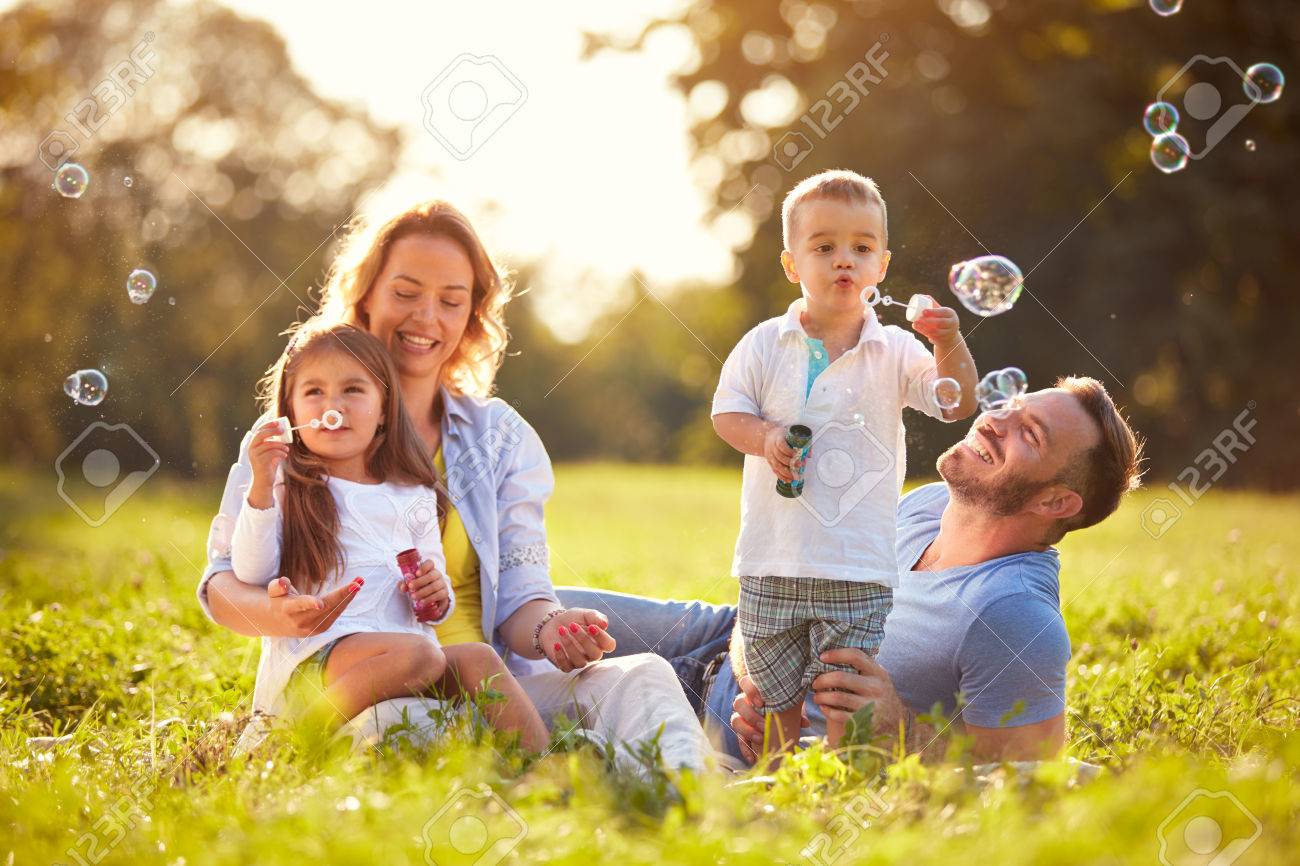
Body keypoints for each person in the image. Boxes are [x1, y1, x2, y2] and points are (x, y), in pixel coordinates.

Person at [199, 200, 711, 771]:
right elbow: (223, 582)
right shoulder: (291, 438)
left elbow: (522, 596)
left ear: (472, 317)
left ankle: (688, 809)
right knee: (404, 729)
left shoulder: (499, 437)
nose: (426, 318)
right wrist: (278, 615)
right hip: (362, 693)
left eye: (450, 301)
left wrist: (550, 627)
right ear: (366, 295)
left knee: (643, 675)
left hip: (489, 693)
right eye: (406, 292)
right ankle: (533, 793)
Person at [560, 377, 1143, 764]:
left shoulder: (1015, 618)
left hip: (732, 740)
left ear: (1056, 503)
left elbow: (1022, 790)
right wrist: (761, 672)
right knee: (529, 610)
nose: (995, 420)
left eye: (1029, 434)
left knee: (541, 693)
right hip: (719, 637)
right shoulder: (931, 503)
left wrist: (898, 733)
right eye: (1010, 407)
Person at [710, 169, 977, 753]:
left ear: (882, 266)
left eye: (861, 248)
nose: (843, 262)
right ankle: (775, 770)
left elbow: (954, 402)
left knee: (843, 682)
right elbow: (726, 413)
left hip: (857, 560)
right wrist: (764, 438)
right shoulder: (763, 343)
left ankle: (840, 766)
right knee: (775, 684)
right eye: (824, 247)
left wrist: (947, 342)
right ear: (791, 266)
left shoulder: (896, 349)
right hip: (773, 554)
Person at [228, 320, 549, 750]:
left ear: (384, 410)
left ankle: (543, 767)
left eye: (353, 390)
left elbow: (434, 605)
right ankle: (294, 738)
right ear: (291, 414)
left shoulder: (413, 492)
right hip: (318, 661)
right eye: (314, 392)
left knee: (479, 659)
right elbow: (249, 572)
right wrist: (262, 487)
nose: (333, 405)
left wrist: (437, 595)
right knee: (420, 654)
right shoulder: (289, 486)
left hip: (411, 658)